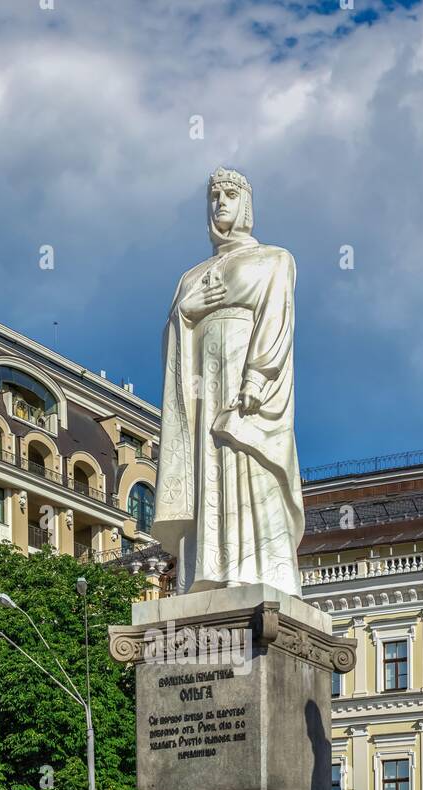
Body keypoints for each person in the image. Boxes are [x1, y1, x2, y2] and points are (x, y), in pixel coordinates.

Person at [153, 167, 305, 596]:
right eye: (214, 195)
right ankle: (208, 574)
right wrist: (184, 312)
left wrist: (257, 378)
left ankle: (257, 572)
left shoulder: (274, 260)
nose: (221, 201)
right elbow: (171, 344)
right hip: (202, 392)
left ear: (246, 205)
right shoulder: (189, 278)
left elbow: (277, 319)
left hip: (245, 389)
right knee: (208, 470)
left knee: (248, 463)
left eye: (230, 194)